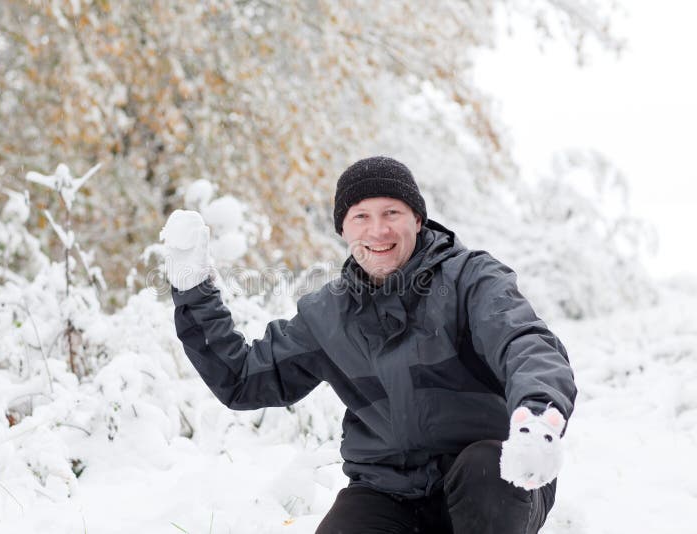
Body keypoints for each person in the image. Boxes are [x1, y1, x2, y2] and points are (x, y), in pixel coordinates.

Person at [160, 156, 576, 534]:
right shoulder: (326, 315)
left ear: (417, 219)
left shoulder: (471, 279)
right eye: (361, 217)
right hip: (389, 492)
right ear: (343, 229)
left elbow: (525, 341)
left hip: (496, 479)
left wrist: (537, 416)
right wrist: (192, 288)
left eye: (391, 212)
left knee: (485, 470)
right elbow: (244, 379)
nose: (378, 230)